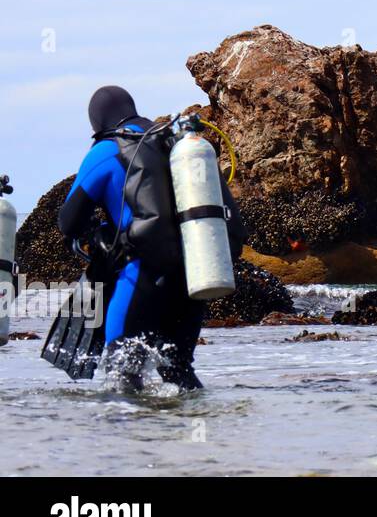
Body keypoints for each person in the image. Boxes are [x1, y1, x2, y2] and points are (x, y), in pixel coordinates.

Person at [56, 86, 245, 390]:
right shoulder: (175, 141)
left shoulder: (106, 150)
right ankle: (205, 430)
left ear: (97, 122)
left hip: (142, 274)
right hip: (195, 271)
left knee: (122, 367)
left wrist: (99, 233)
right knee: (178, 370)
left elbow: (68, 221)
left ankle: (133, 437)